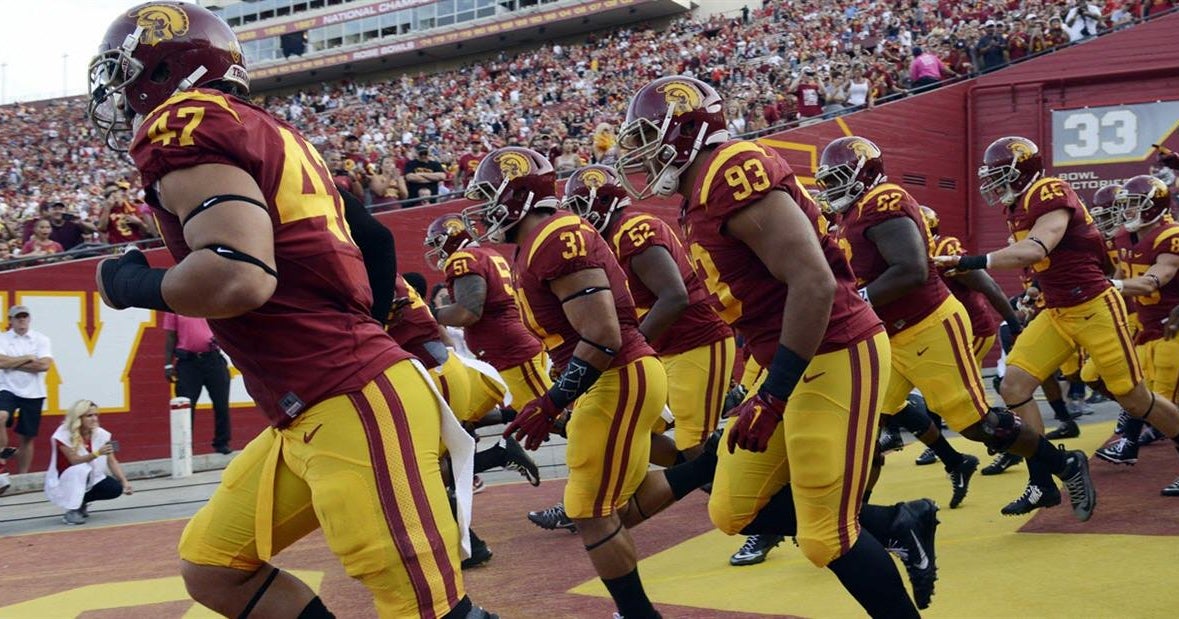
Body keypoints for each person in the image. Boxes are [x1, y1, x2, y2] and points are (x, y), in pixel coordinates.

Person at [87, 4, 492, 617]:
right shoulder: (270, 130)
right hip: (311, 402)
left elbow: (236, 273)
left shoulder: (182, 123)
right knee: (215, 567)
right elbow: (376, 242)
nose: (118, 94)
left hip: (345, 393)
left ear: (162, 67)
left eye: (123, 73)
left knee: (427, 610)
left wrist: (127, 283)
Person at [616, 76, 929, 614]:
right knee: (731, 509)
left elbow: (814, 282)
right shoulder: (700, 192)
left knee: (826, 538)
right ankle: (898, 522)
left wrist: (774, 392)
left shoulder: (730, 173)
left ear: (688, 129)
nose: (642, 152)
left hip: (835, 350)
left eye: (651, 135)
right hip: (788, 353)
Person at [464, 146, 692, 619]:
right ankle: (711, 464)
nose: (485, 211)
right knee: (611, 504)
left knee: (590, 511)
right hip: (613, 376)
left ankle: (638, 614)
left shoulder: (555, 236)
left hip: (615, 375)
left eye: (490, 196)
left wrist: (553, 400)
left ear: (518, 195)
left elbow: (603, 335)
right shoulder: (544, 239)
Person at [936, 136, 1171, 519]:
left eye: (1000, 174)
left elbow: (1037, 248)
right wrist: (1032, 292)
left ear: (1021, 172)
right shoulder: (1017, 205)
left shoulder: (1049, 190)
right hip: (1058, 310)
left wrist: (970, 260)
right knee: (1012, 385)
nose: (993, 183)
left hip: (1093, 306)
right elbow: (1042, 264)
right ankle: (1042, 481)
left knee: (1132, 396)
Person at [818, 136, 990, 511]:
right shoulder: (850, 216)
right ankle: (856, 515)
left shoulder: (884, 203)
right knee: (872, 420)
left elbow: (920, 272)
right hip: (890, 331)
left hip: (930, 323)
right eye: (827, 181)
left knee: (974, 421)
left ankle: (1049, 462)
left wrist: (1010, 320)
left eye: (837, 178)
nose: (830, 188)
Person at [1093, 175, 1179, 497]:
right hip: (1147, 331)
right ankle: (1130, 439)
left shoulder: (1170, 235)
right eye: (1125, 205)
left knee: (1168, 404)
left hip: (1171, 331)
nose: (1127, 211)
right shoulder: (1127, 237)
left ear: (1154, 206)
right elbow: (1117, 279)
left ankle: (1130, 439)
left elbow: (1150, 282)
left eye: (1134, 204)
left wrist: (1098, 285)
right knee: (1149, 398)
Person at [44, 400, 132, 525]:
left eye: (96, 415)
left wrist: (124, 481)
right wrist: (96, 453)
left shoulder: (102, 434)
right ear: (79, 418)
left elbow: (112, 460)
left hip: (91, 476)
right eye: (89, 416)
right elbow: (74, 460)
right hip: (66, 478)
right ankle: (72, 510)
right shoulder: (63, 434)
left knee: (115, 488)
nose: (94, 419)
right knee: (81, 470)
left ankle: (81, 502)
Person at [163, 312, 233, 455]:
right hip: (188, 362)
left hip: (212, 358)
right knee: (186, 406)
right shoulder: (174, 305)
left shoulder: (210, 302)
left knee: (221, 404)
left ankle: (222, 443)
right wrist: (168, 365)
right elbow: (170, 336)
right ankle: (186, 446)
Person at [0, 305, 54, 489]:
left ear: (29, 319)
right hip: (7, 388)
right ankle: (1, 460)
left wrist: (12, 363)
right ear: (10, 320)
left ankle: (23, 477)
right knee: (1, 416)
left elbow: (44, 366)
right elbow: (0, 362)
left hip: (34, 391)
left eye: (24, 317)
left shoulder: (41, 339)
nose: (21, 320)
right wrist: (28, 358)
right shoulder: (3, 338)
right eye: (17, 317)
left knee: (27, 436)